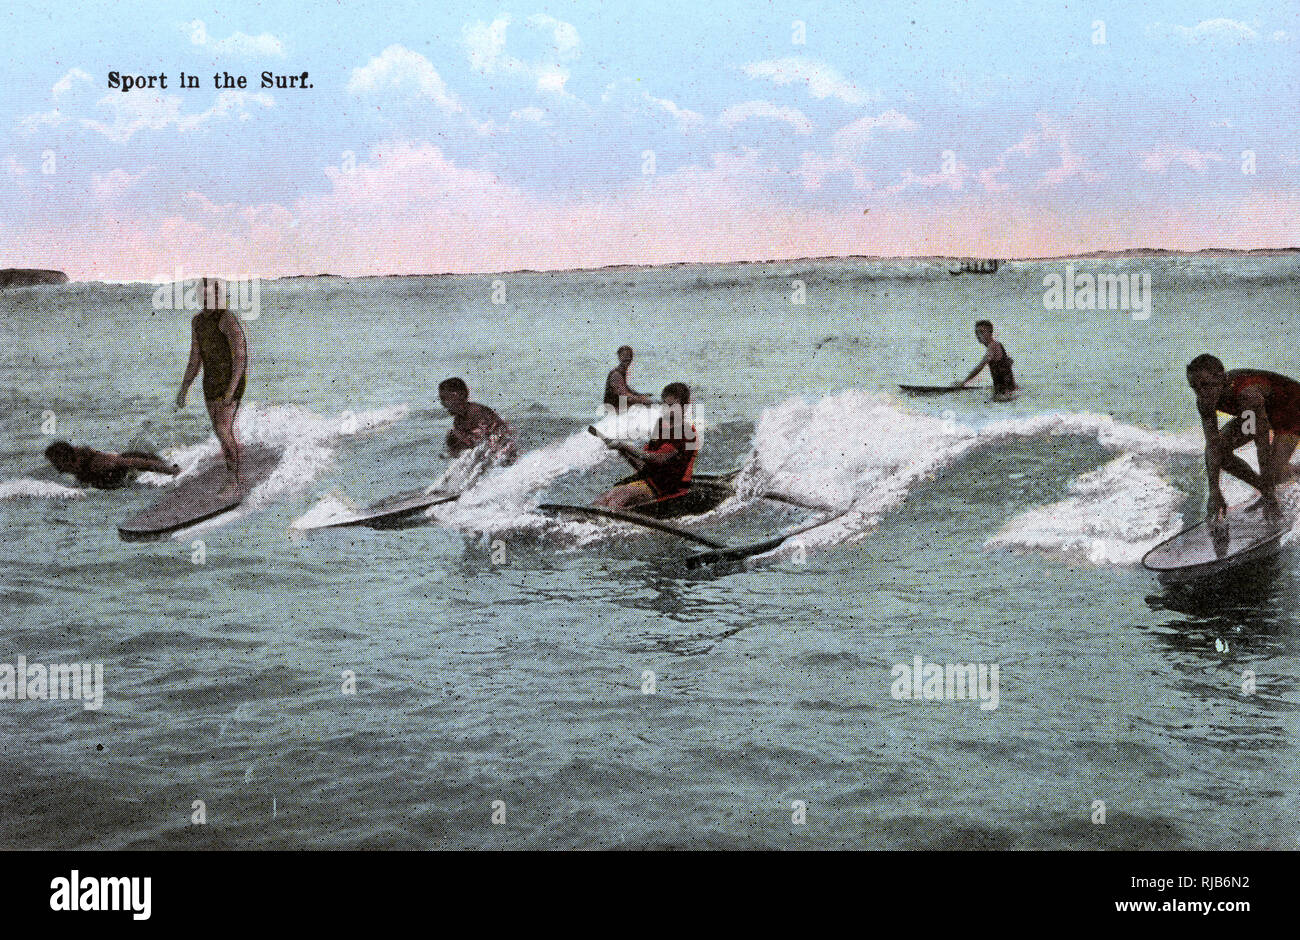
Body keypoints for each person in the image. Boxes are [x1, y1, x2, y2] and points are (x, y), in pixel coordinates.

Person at [1186, 354, 1300, 526]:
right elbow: (1212, 446)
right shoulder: (1204, 402)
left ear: (1222, 378)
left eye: (1206, 385)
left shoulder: (1247, 395)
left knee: (1275, 475)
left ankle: (1292, 474)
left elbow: (1262, 447)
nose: (1201, 393)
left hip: (1291, 409)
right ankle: (1266, 489)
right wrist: (1214, 491)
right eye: (1194, 387)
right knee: (1221, 451)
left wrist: (1270, 498)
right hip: (1262, 411)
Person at [175, 278, 248, 496]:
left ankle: (233, 480)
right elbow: (195, 358)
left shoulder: (227, 319)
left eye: (212, 296)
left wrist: (231, 390)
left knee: (224, 431)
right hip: (211, 382)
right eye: (203, 296)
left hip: (230, 380)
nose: (208, 300)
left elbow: (240, 358)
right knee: (219, 431)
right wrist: (184, 388)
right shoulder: (197, 321)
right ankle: (231, 470)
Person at [595, 382, 697, 509]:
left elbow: (658, 458)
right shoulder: (661, 425)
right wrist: (621, 450)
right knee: (604, 497)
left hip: (670, 486)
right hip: (651, 479)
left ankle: (608, 522)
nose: (667, 410)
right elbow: (643, 465)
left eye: (672, 406)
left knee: (619, 497)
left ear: (685, 407)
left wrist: (625, 446)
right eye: (665, 405)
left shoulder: (686, 431)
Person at [438, 377, 516, 463]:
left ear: (457, 396)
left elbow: (498, 436)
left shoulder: (477, 412)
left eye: (444, 399)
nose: (443, 404)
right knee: (452, 437)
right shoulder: (458, 420)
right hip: (489, 453)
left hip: (504, 454)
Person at [45, 441, 179, 490]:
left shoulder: (97, 464)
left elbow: (135, 463)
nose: (57, 469)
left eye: (57, 463)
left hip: (140, 459)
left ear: (67, 459)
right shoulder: (77, 470)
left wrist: (171, 470)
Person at [956, 319, 1016, 399]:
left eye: (981, 332)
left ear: (990, 332)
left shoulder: (992, 346)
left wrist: (964, 382)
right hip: (1009, 390)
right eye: (977, 333)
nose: (978, 335)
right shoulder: (998, 344)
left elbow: (980, 366)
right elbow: (1008, 362)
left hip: (1004, 394)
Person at [603, 346, 653, 412]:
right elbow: (625, 395)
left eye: (629, 355)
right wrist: (642, 400)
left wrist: (640, 395)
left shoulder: (621, 372)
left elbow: (626, 390)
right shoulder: (616, 375)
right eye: (624, 356)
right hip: (614, 410)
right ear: (619, 357)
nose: (627, 358)